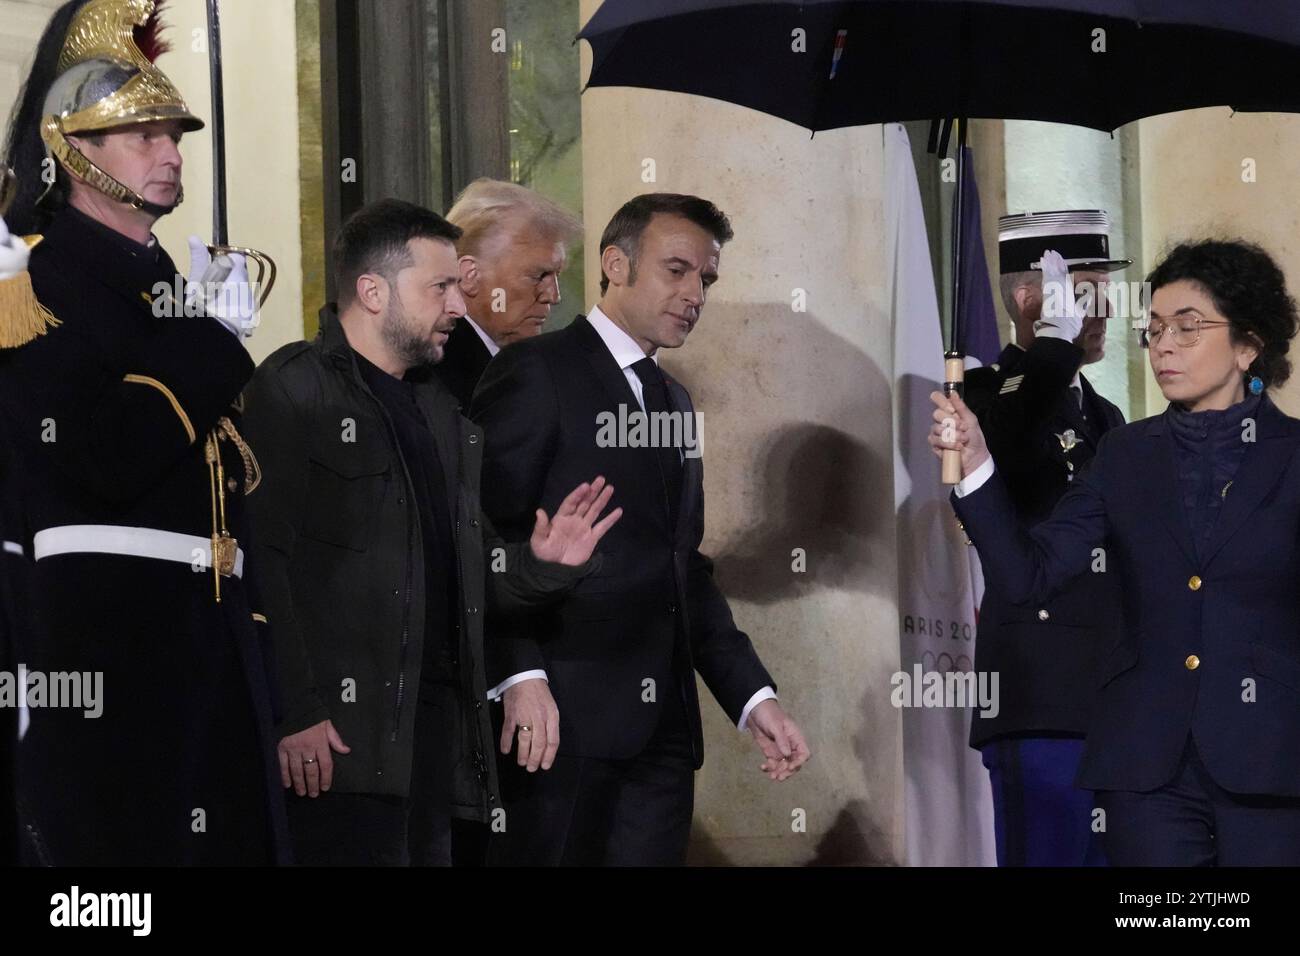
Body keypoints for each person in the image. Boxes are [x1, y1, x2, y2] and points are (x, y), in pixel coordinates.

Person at [241, 199, 621, 866]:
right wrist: (293, 712)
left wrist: (543, 564)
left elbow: (469, 578)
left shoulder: (438, 411)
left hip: (436, 750)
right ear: (372, 290)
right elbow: (263, 560)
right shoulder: (294, 387)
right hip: (336, 749)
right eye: (441, 287)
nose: (458, 303)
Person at [0, 0, 284, 864]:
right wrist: (210, 339)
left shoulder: (167, 281)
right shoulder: (33, 283)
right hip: (103, 635)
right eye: (143, 136)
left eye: (175, 135)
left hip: (209, 630)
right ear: (74, 150)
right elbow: (103, 458)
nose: (169, 154)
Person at [931, 238, 1300, 866]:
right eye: (1154, 328)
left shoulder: (1293, 455)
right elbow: (1032, 574)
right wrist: (976, 469)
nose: (1164, 344)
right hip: (1143, 771)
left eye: (1189, 327)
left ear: (1248, 344)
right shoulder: (1125, 453)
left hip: (1273, 766)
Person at [472, 192, 810, 866]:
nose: (694, 294)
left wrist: (753, 697)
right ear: (615, 265)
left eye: (706, 279)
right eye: (677, 270)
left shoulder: (674, 402)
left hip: (662, 739)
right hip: (557, 726)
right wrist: (520, 678)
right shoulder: (534, 372)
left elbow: (683, 565)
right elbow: (482, 539)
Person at [961, 210, 1129, 866]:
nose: (1107, 307)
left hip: (1116, 700)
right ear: (1031, 299)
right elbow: (998, 437)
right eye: (1086, 291)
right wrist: (1052, 348)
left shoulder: (1107, 414)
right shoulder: (980, 392)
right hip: (1041, 696)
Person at [435, 179, 581, 407]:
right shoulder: (434, 376)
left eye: (556, 276)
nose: (553, 296)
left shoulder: (525, 366)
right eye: (539, 276)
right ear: (469, 275)